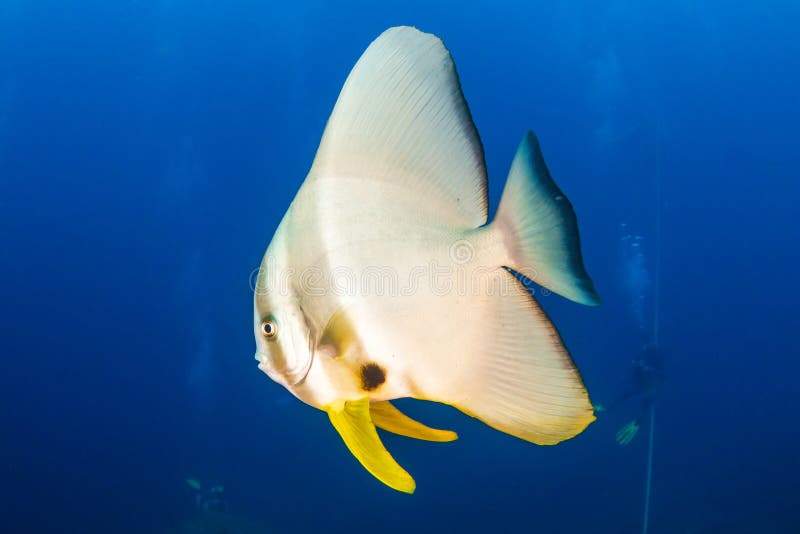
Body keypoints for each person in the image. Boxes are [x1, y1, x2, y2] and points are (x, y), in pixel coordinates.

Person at [596, 341, 664, 446]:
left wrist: (638, 422)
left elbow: (641, 397)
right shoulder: (641, 374)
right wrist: (607, 407)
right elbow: (627, 394)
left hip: (649, 382)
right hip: (645, 381)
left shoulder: (650, 380)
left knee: (645, 391)